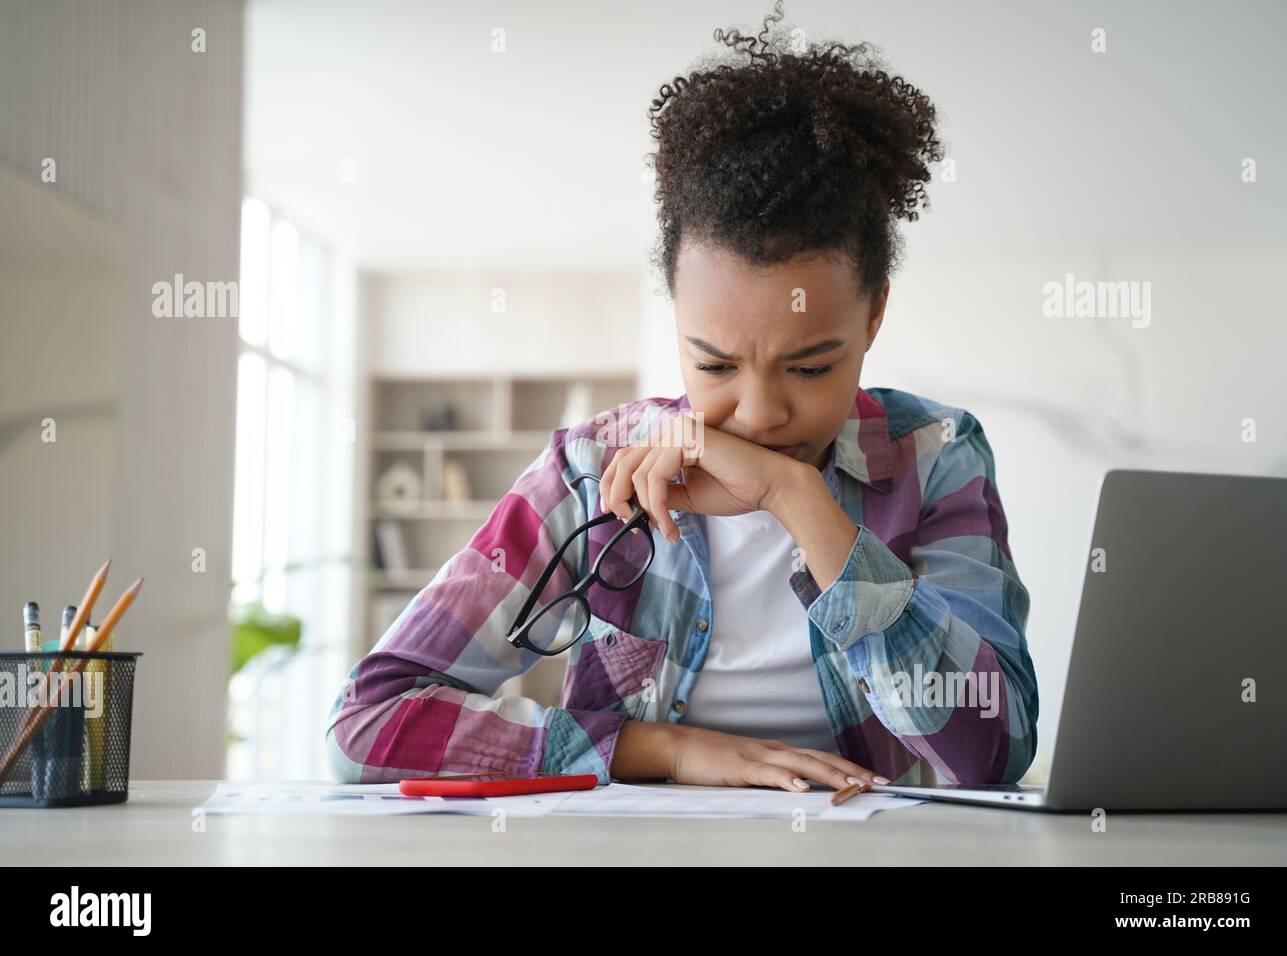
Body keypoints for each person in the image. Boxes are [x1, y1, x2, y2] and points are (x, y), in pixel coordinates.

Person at [327, 1, 1038, 793]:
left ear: (874, 315)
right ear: (677, 317)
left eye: (808, 368)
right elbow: (366, 726)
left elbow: (991, 753)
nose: (761, 413)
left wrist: (798, 498)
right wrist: (666, 750)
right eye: (716, 364)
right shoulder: (589, 471)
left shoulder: (934, 455)